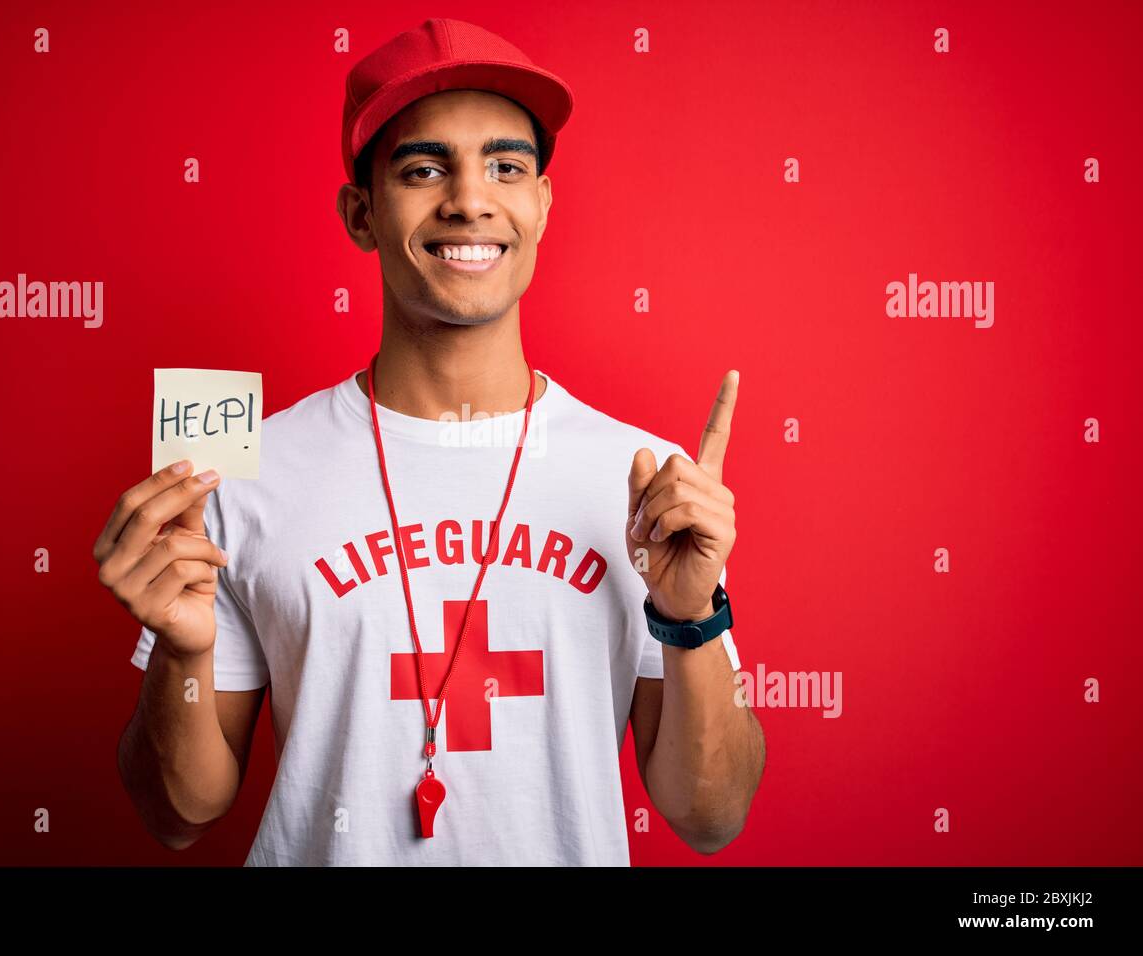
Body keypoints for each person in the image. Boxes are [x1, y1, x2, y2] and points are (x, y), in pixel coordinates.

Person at [94, 17, 765, 866]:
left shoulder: (643, 483)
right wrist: (182, 654)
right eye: (423, 168)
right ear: (361, 213)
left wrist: (691, 613)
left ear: (543, 206)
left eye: (506, 166)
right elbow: (178, 814)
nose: (469, 199)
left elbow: (712, 817)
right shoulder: (239, 475)